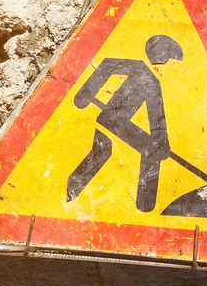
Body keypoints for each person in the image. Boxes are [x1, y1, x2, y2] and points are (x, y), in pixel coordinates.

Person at [66, 35, 183, 210]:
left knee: (113, 150)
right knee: (123, 150)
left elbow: (157, 117)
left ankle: (144, 202)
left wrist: (162, 142)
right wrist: (84, 94)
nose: (170, 66)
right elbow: (106, 66)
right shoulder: (140, 69)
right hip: (112, 118)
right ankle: (145, 203)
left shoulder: (154, 83)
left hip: (117, 122)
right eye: (169, 60)